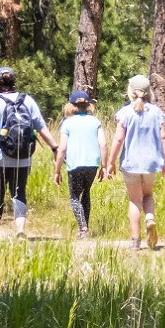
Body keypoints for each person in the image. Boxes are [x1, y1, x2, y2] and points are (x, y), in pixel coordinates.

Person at [0, 66, 58, 238]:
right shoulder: (28, 101)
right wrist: (55, 147)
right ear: (14, 81)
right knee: (19, 192)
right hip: (22, 157)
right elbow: (42, 128)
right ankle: (21, 231)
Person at [105, 74, 165, 250]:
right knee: (148, 195)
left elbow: (118, 139)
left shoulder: (125, 113)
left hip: (131, 163)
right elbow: (163, 137)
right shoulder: (157, 113)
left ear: (131, 92)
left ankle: (135, 241)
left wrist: (110, 163)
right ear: (149, 91)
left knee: (135, 200)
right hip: (151, 163)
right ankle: (150, 218)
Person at [54, 90, 107, 239]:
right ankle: (86, 226)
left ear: (71, 105)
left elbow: (62, 149)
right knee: (86, 192)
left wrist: (57, 171)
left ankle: (83, 228)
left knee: (74, 196)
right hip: (92, 165)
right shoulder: (95, 121)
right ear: (88, 105)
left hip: (74, 164)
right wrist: (104, 166)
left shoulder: (67, 123)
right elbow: (103, 144)